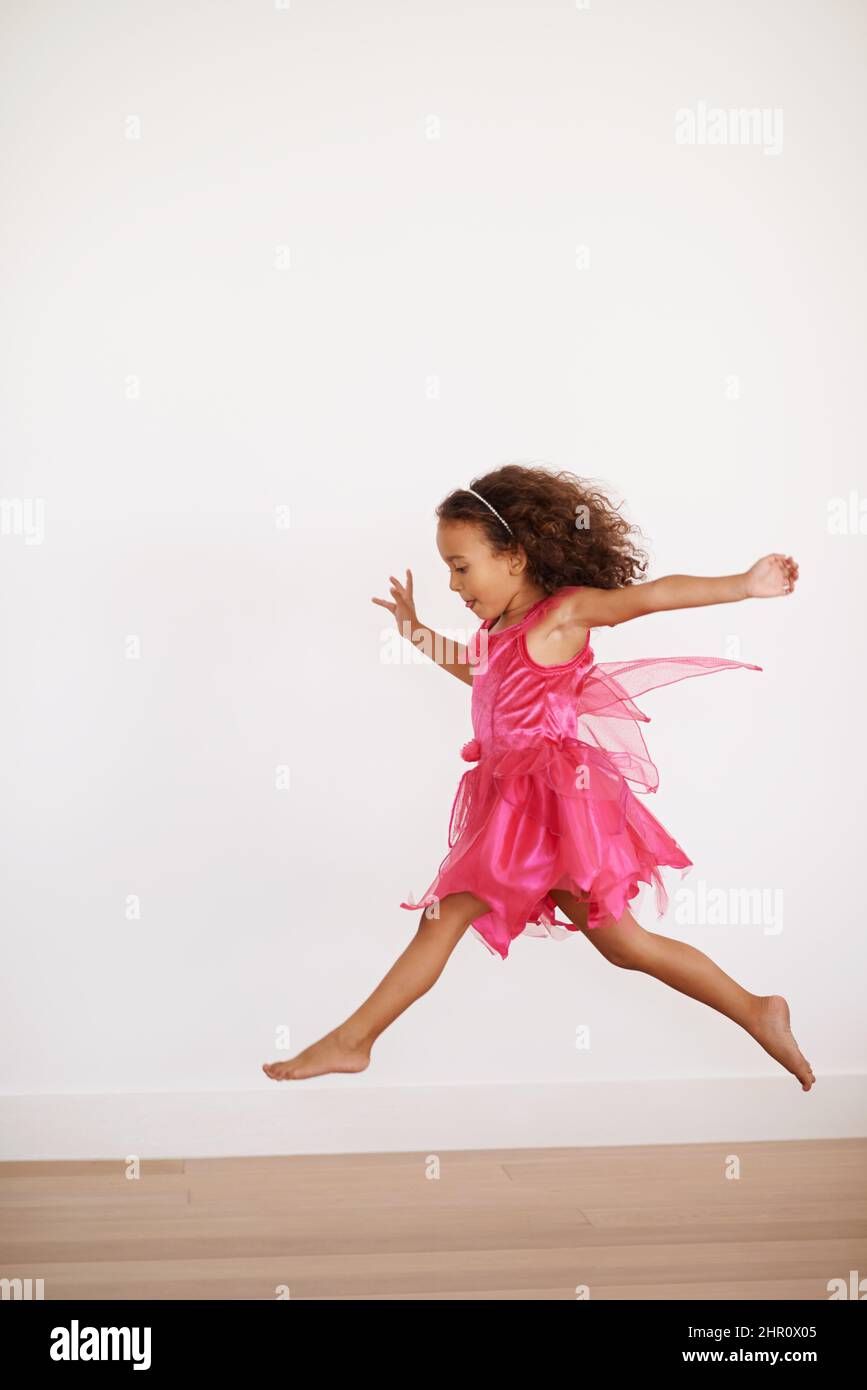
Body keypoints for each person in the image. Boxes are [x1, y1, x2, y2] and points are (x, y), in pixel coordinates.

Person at [263, 464, 813, 1091]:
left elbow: (650, 596)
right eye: (446, 568)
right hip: (517, 805)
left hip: (548, 800)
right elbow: (485, 679)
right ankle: (756, 1009)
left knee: (448, 912)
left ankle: (353, 1040)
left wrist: (745, 584)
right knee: (624, 946)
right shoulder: (496, 632)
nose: (453, 583)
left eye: (461, 566)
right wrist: (416, 633)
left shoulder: (561, 617)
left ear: (516, 557)